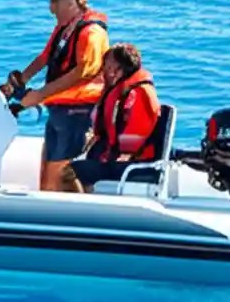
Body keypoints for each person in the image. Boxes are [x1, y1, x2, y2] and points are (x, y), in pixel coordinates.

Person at [0, 0, 109, 191]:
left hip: (79, 112)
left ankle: (73, 214)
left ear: (71, 2)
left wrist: (40, 94)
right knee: (47, 167)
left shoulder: (91, 33)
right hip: (59, 109)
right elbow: (45, 57)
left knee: (63, 172)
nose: (51, 10)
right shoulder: (63, 28)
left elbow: (81, 72)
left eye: (55, 4)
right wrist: (19, 81)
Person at [61, 43, 161, 193]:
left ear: (120, 69)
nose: (106, 73)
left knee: (69, 173)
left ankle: (83, 207)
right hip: (114, 155)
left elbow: (137, 131)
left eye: (109, 67)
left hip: (131, 161)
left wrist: (122, 154)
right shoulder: (121, 90)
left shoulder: (139, 94)